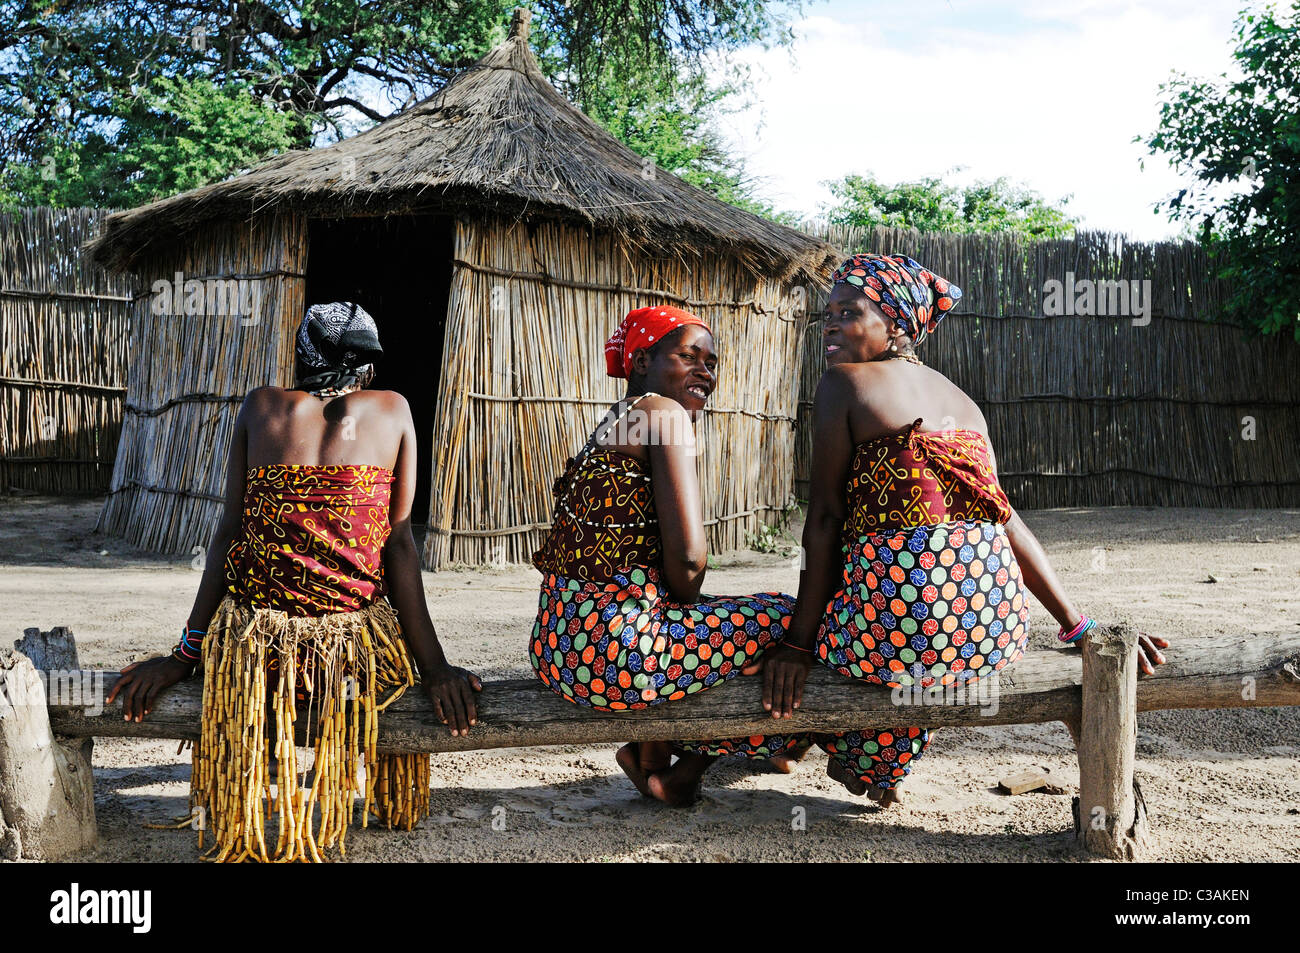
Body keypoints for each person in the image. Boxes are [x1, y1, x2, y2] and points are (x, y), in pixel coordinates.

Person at [712, 253, 1171, 806]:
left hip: (905, 634)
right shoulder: (964, 403)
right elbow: (1007, 520)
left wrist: (797, 643)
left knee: (771, 626)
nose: (830, 323)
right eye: (827, 312)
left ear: (898, 325)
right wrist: (1078, 626)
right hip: (992, 634)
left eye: (850, 311)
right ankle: (860, 766)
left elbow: (826, 520)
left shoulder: (844, 383)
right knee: (890, 645)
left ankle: (696, 750)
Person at [107, 301, 481, 861]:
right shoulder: (393, 409)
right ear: (369, 369)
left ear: (301, 357)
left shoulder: (262, 407)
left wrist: (184, 656)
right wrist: (434, 669)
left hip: (259, 658)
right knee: (387, 665)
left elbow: (230, 535)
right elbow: (399, 543)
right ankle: (373, 800)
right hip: (351, 659)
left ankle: (246, 796)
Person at [529, 305, 806, 806]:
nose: (706, 370)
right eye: (688, 356)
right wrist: (685, 606)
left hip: (557, 649)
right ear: (640, 362)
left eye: (712, 362)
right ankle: (736, 751)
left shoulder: (614, 424)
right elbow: (689, 561)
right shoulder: (663, 413)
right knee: (791, 623)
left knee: (697, 623)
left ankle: (656, 762)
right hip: (615, 656)